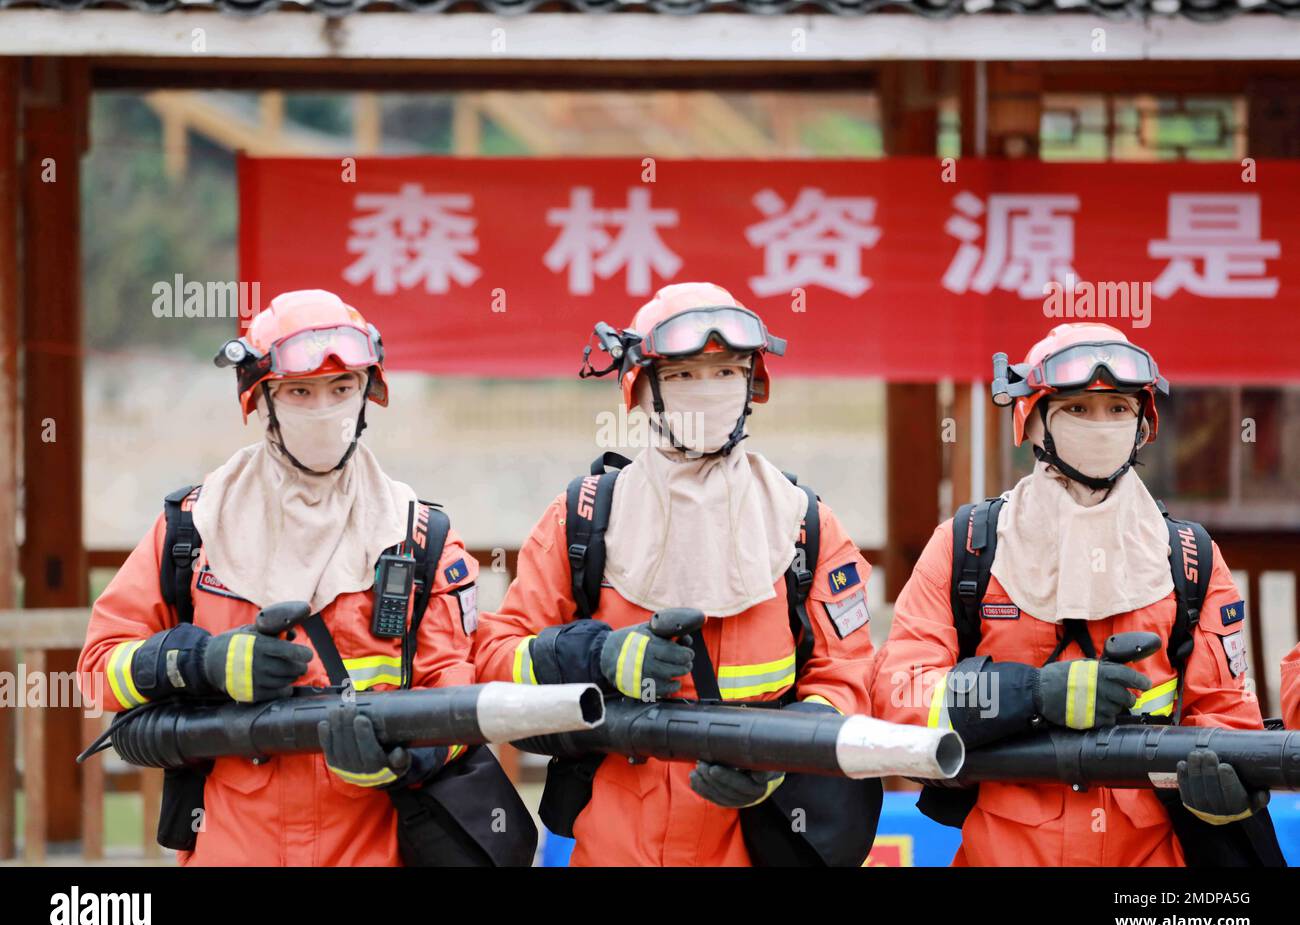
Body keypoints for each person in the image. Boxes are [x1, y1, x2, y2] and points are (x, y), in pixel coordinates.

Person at [78, 289, 532, 866]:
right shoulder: (192, 531)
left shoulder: (421, 539)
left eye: (341, 389)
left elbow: (455, 704)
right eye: (299, 391)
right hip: (231, 849)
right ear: (260, 400)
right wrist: (201, 663)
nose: (323, 410)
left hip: (371, 848)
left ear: (368, 394)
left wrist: (400, 759)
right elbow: (97, 674)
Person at [472, 282, 881, 866]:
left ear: (751, 385)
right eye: (684, 375)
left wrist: (780, 759)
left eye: (726, 372)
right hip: (611, 849)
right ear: (642, 387)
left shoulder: (805, 525)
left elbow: (851, 678)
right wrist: (599, 657)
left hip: (759, 843)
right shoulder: (583, 519)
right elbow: (494, 661)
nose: (708, 392)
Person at [869, 322, 1282, 867]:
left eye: (1118, 408)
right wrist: (1030, 696)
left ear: (1143, 424)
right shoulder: (968, 546)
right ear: (1032, 418)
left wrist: (1224, 797)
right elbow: (895, 698)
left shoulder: (1190, 559)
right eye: (1077, 409)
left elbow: (1228, 717)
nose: (1102, 425)